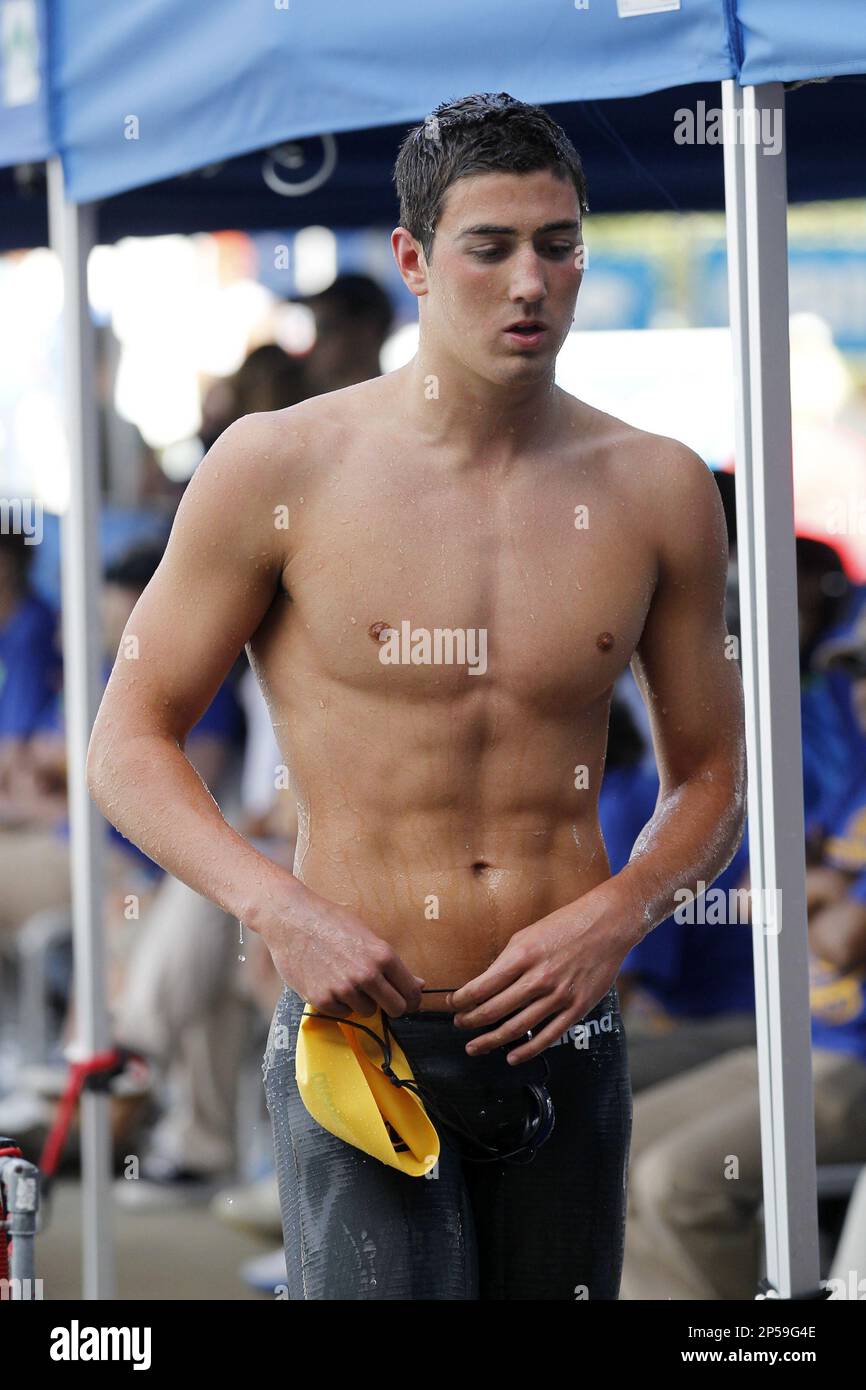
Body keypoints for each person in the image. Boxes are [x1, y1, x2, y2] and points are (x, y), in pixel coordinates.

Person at [86, 91, 746, 1301]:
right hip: (363, 1029)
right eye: (488, 248)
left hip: (564, 1029)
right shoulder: (280, 467)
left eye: (557, 245)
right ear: (412, 259)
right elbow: (126, 742)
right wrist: (276, 907)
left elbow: (714, 772)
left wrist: (621, 913)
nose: (529, 282)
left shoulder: (656, 487)